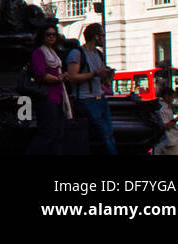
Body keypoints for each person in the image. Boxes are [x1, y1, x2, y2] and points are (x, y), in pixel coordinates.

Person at [66, 23, 116, 155]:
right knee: (104, 136)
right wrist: (95, 73)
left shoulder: (98, 54)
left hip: (100, 99)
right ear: (95, 36)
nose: (104, 38)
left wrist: (108, 77)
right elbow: (72, 77)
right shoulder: (76, 54)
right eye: (102, 35)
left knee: (109, 135)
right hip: (85, 100)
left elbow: (104, 82)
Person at [26, 24, 71, 154]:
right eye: (48, 34)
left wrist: (62, 77)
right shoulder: (39, 52)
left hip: (58, 97)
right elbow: (40, 74)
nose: (51, 37)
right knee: (47, 134)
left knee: (58, 134)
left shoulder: (54, 53)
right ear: (42, 36)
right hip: (47, 97)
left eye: (54, 35)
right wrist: (59, 78)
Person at [152, 82, 178, 155]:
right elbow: (167, 125)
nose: (172, 99)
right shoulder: (162, 108)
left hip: (168, 141)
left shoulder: (166, 107)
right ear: (166, 96)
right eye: (172, 97)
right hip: (169, 142)